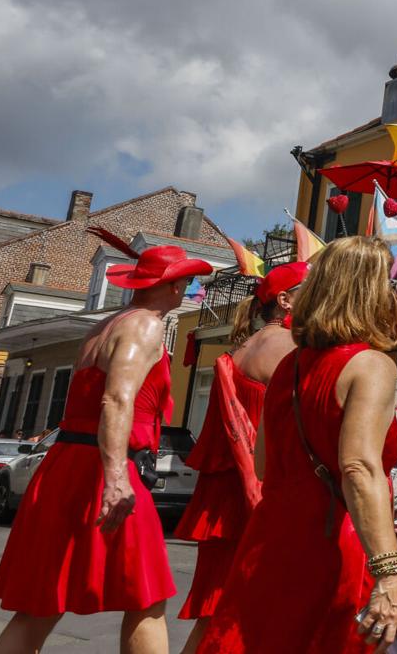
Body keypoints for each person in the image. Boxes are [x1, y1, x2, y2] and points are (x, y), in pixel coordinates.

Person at [199, 236, 397, 653]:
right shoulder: (370, 365)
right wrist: (389, 572)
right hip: (336, 540)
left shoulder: (288, 367)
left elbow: (264, 465)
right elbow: (359, 469)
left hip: (273, 537)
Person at [0, 245, 212, 654]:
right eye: (187, 281)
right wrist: (115, 480)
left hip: (65, 466)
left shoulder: (104, 326)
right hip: (105, 468)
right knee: (146, 597)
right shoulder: (145, 326)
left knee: (40, 605)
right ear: (173, 286)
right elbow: (116, 399)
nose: (189, 288)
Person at [175, 261, 306, 654]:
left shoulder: (245, 347)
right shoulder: (291, 349)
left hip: (226, 492)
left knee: (216, 613)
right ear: (285, 300)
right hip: (264, 490)